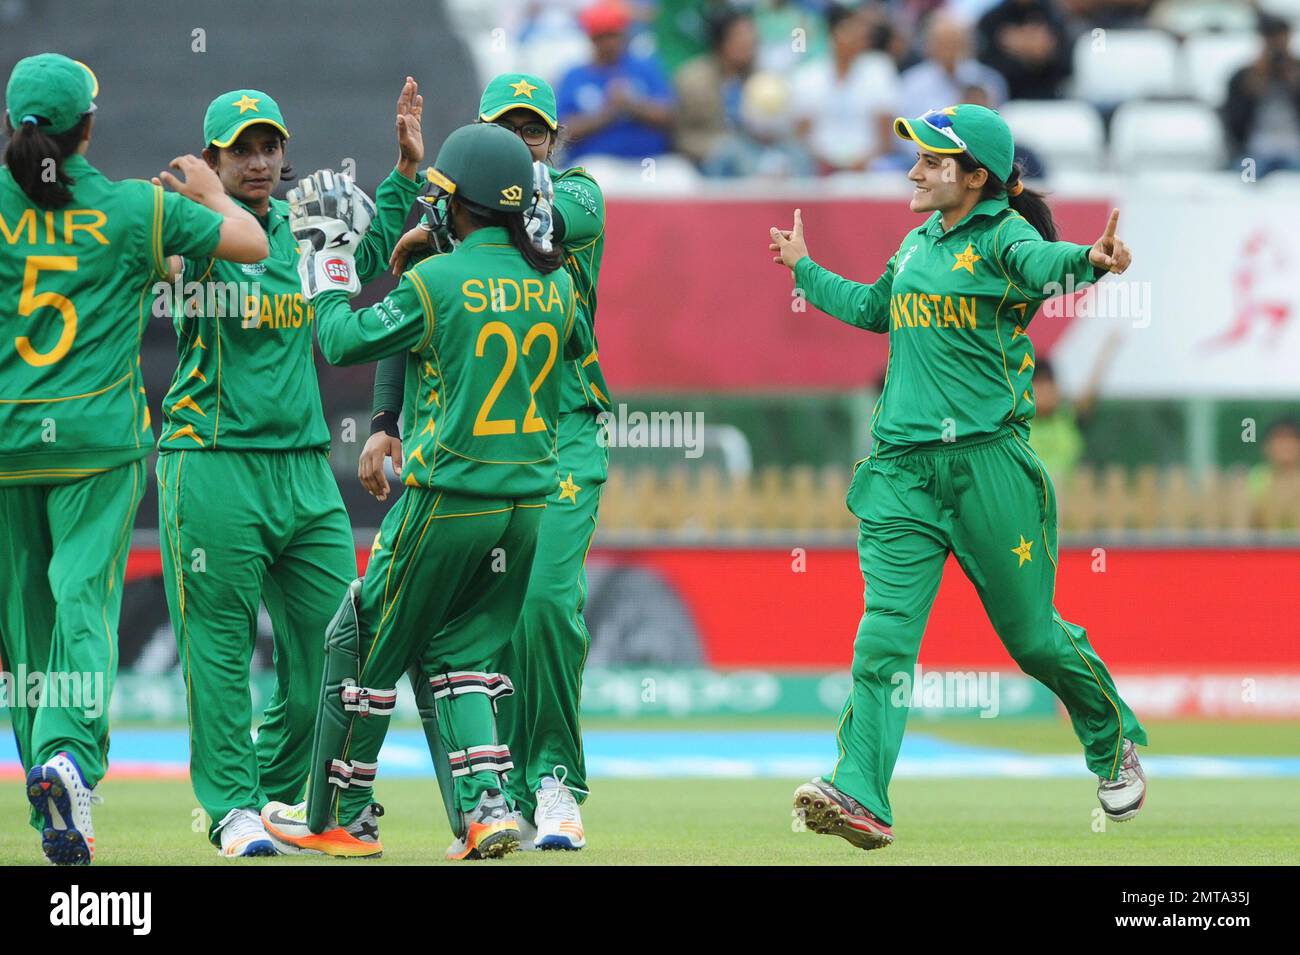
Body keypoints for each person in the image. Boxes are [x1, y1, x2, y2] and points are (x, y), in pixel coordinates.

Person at [769, 104, 1147, 850]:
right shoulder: (915, 244)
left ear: (976, 177)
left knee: (1033, 638)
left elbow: (1048, 265)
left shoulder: (1007, 236)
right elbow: (876, 309)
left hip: (990, 469)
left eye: (932, 161)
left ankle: (1111, 741)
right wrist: (803, 270)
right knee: (881, 643)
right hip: (903, 472)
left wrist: (1089, 260)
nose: (914, 169)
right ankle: (862, 795)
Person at [260, 123, 587, 861]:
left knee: (360, 636)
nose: (431, 205)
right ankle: (486, 808)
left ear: (461, 204)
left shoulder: (436, 281)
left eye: (439, 195)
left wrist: (328, 254)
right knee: (461, 653)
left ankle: (335, 816)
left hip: (448, 499)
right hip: (527, 507)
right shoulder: (559, 282)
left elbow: (342, 340)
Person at [0, 53, 267, 865]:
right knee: (82, 602)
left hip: (9, 444)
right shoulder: (132, 209)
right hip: (97, 445)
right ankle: (71, 761)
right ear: (88, 126)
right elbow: (252, 242)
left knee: (25, 629)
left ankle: (50, 768)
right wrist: (208, 190)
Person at [151, 83, 424, 857]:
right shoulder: (196, 227)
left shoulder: (308, 230)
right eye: (243, 150)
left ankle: (273, 793)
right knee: (220, 650)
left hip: (305, 471)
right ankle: (232, 809)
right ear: (213, 161)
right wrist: (187, 215)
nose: (263, 162)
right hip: (212, 463)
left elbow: (368, 260)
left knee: (340, 644)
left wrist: (403, 172)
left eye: (270, 146)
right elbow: (163, 263)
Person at [366, 72, 610, 851]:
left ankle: (556, 784)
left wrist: (443, 212)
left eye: (533, 128)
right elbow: (410, 306)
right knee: (472, 629)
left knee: (542, 606)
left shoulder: (579, 193)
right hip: (467, 438)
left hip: (559, 431)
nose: (523, 140)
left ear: (552, 139)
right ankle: (489, 795)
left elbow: (539, 229)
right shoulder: (451, 209)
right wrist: (382, 420)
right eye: (506, 128)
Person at [556, 0, 675, 163]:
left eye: (613, 34)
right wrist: (608, 112)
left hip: (650, 162)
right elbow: (562, 133)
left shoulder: (646, 67)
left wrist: (632, 104)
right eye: (602, 36)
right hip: (596, 163)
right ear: (591, 38)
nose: (609, 42)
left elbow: (670, 117)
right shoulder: (575, 76)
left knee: (679, 178)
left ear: (625, 35)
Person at [790, 3, 900, 174]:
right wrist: (826, 164)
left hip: (870, 168)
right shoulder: (808, 76)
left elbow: (886, 137)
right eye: (849, 30)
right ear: (833, 34)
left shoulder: (879, 69)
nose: (857, 35)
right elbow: (801, 137)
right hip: (819, 170)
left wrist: (862, 162)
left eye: (859, 30)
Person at [1223, 14, 1300, 179]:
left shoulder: (1296, 71)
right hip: (1255, 153)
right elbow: (1233, 123)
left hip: (1295, 150)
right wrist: (1252, 90)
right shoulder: (1243, 76)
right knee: (1244, 179)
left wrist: (1294, 85)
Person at [975, 0, 1071, 101]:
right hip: (1006, 100)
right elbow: (985, 68)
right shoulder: (991, 19)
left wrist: (1044, 54)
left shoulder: (1055, 15)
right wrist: (1021, 53)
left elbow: (1067, 64)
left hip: (1052, 99)